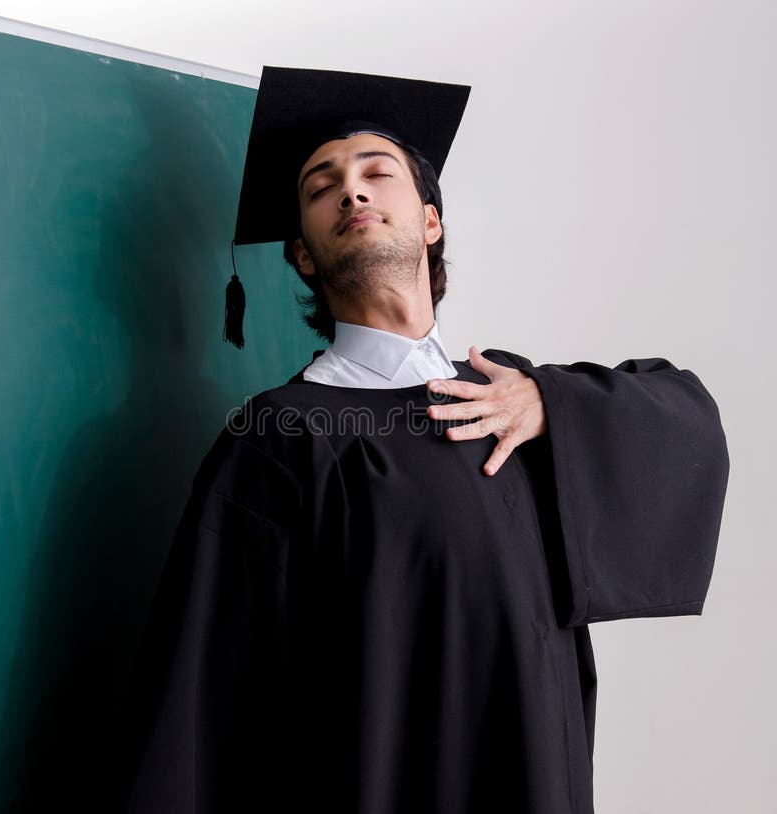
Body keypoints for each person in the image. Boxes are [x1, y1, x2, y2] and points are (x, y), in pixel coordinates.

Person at [120, 67, 729, 814]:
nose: (352, 191)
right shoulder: (279, 438)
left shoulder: (513, 398)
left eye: (377, 173)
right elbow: (204, 704)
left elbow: (684, 419)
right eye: (322, 187)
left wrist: (551, 402)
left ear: (431, 222)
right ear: (303, 254)